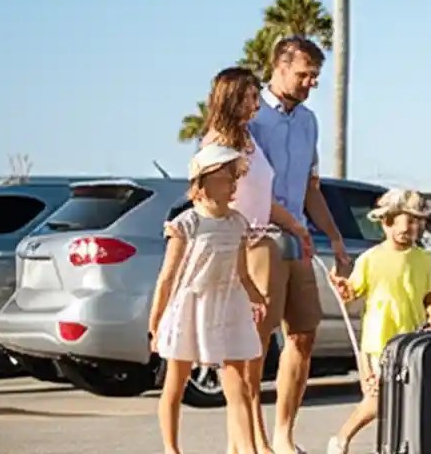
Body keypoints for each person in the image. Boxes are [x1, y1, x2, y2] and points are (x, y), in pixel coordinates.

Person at [201, 66, 315, 454]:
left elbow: (261, 200)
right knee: (247, 352)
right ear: (231, 98)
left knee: (252, 354)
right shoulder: (216, 145)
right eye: (249, 97)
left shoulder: (248, 141)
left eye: (256, 95)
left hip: (266, 241)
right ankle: (253, 445)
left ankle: (249, 445)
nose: (256, 102)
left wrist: (297, 228)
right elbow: (211, 204)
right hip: (242, 249)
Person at [248, 36, 351, 454]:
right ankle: (250, 438)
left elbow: (311, 189)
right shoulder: (251, 115)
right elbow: (244, 186)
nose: (311, 82)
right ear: (279, 66)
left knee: (304, 335)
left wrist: (337, 240)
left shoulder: (308, 122)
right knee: (254, 341)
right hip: (258, 240)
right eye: (303, 73)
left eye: (316, 76)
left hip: (299, 241)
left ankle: (283, 435)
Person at [148, 145, 267, 454]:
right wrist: (156, 320)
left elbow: (241, 272)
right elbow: (168, 277)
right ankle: (171, 448)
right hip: (191, 307)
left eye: (233, 177)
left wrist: (256, 296)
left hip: (228, 305)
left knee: (236, 380)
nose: (232, 184)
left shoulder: (237, 223)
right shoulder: (187, 224)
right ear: (200, 186)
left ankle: (246, 448)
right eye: (224, 178)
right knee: (176, 380)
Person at [326, 188, 431, 454]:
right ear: (387, 223)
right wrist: (344, 289)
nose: (410, 228)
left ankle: (401, 443)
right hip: (379, 343)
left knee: (408, 396)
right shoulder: (371, 259)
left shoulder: (423, 259)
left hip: (410, 341)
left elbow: (429, 293)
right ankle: (341, 438)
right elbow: (352, 293)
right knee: (377, 400)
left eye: (416, 222)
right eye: (405, 221)